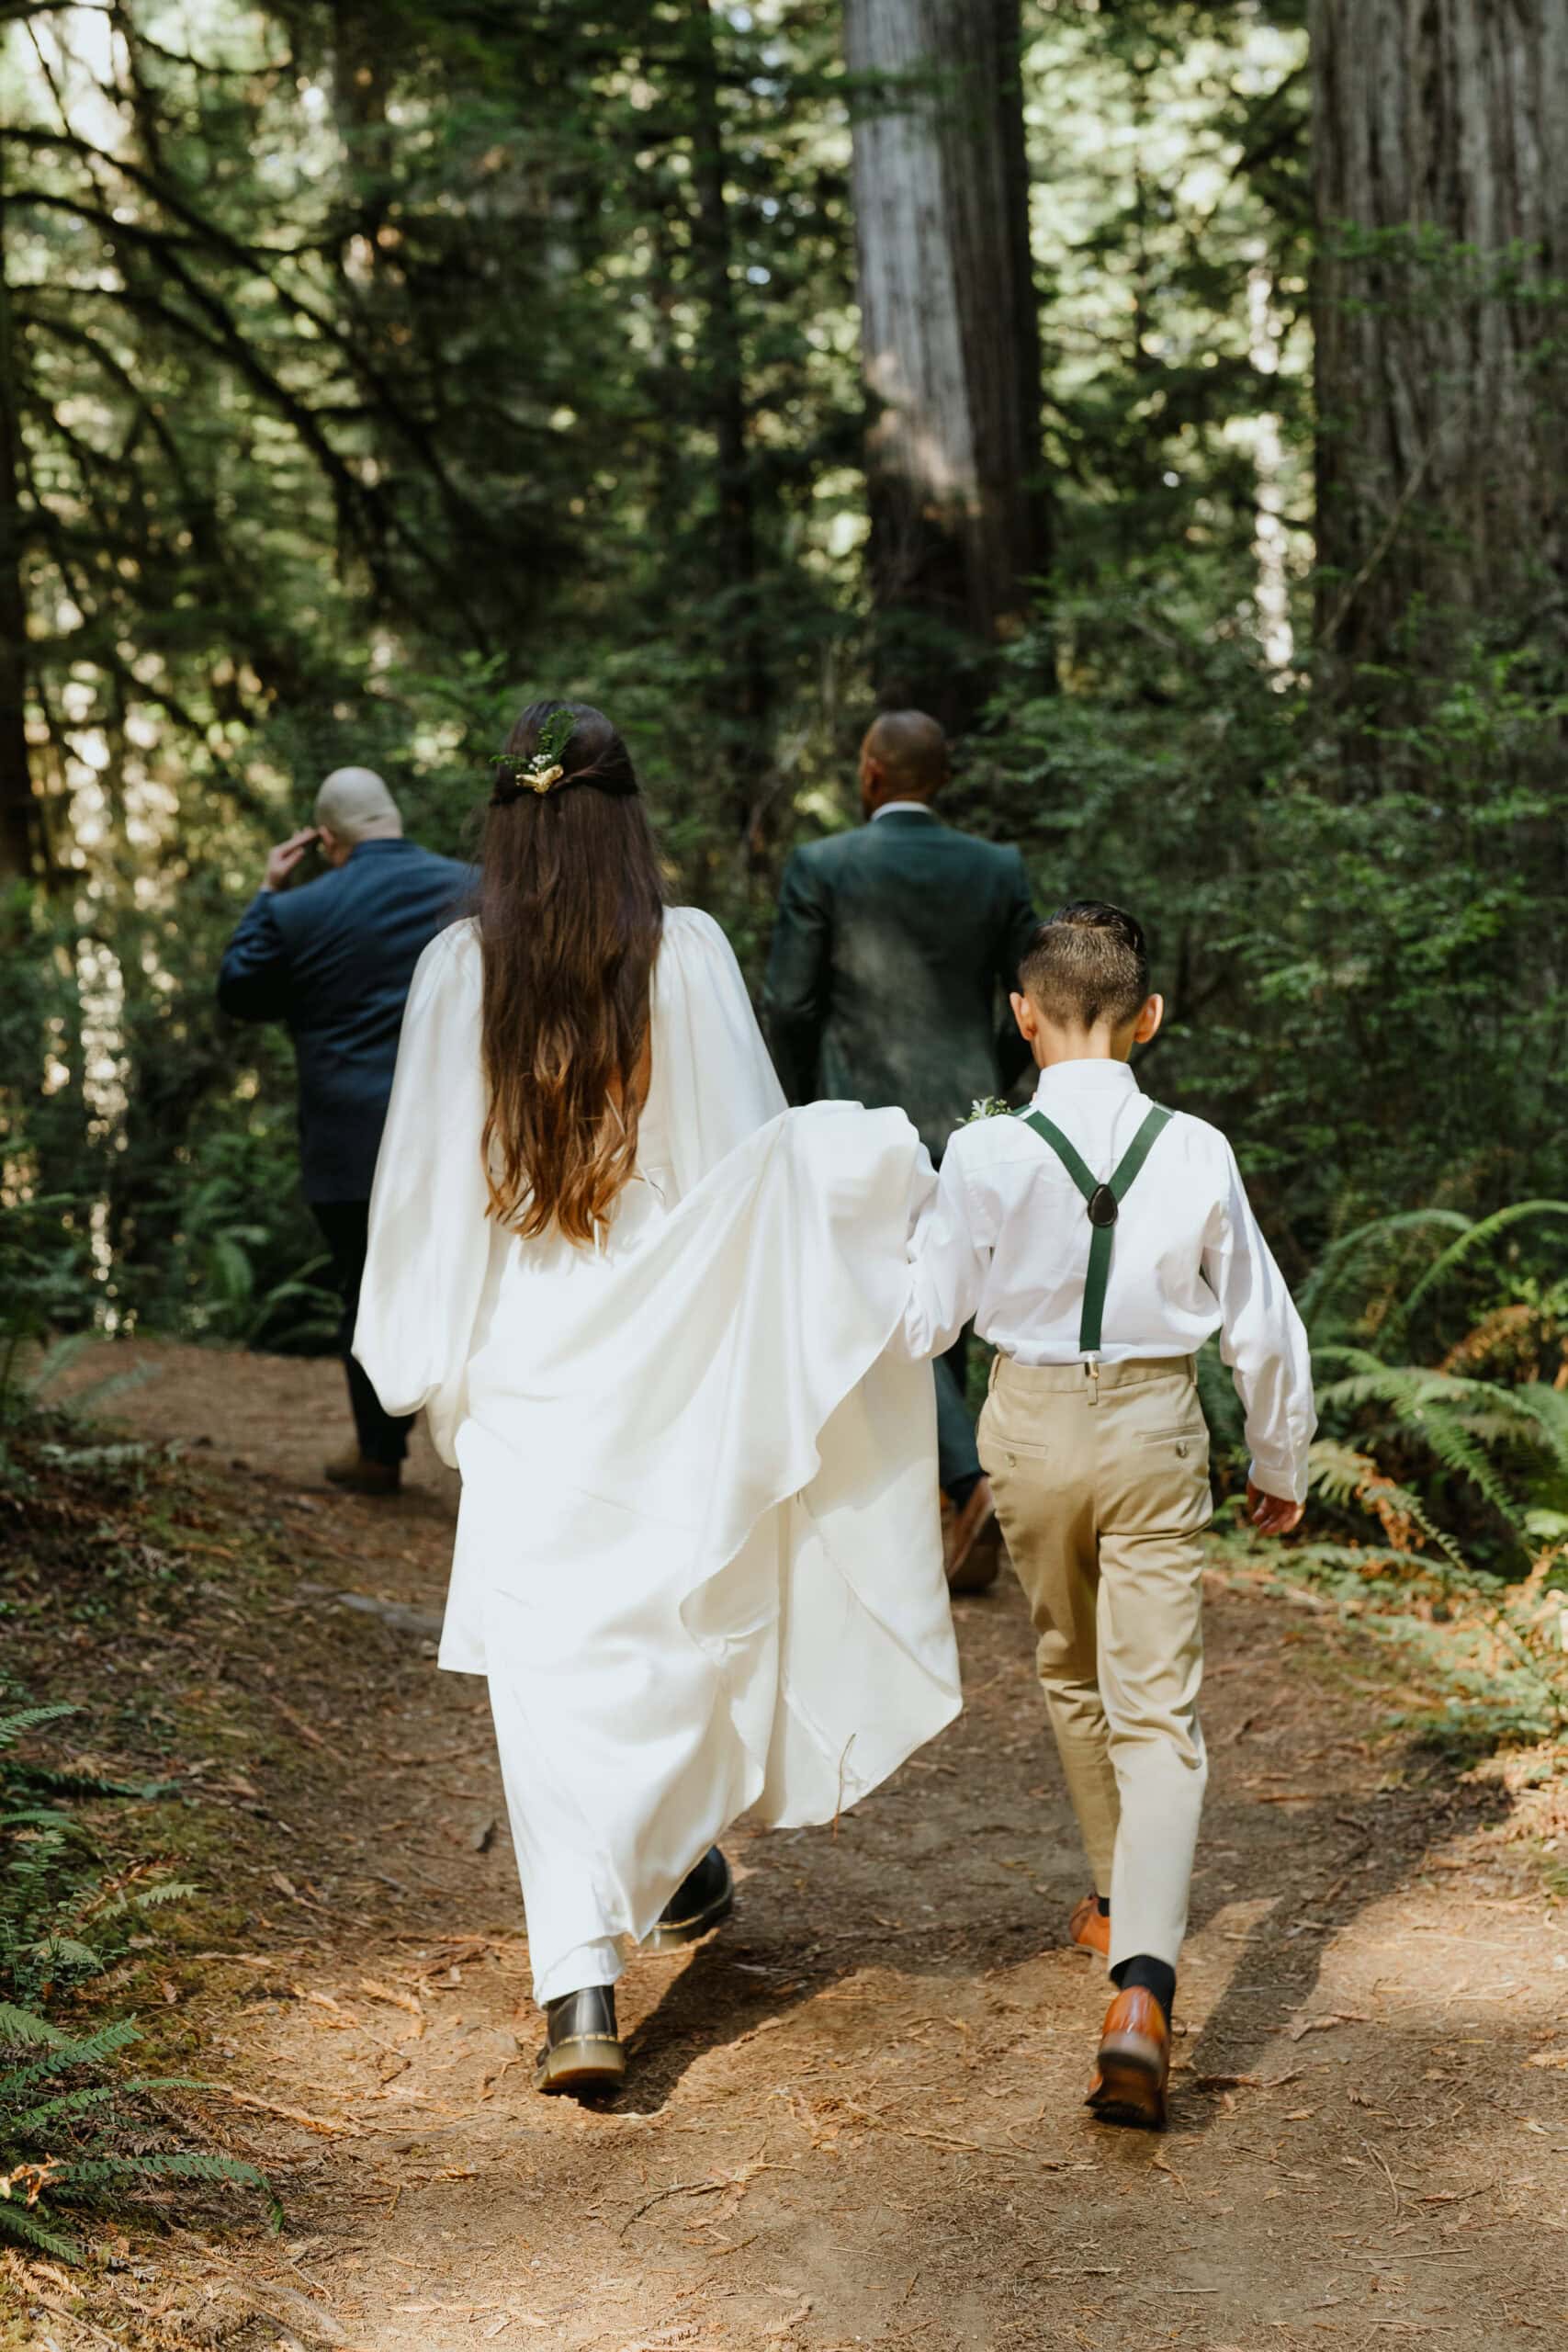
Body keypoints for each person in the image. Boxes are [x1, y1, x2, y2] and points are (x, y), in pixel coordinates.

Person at [353, 701, 960, 2097]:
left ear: (501, 823)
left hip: (523, 1357)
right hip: (668, 1340)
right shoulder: (685, 954)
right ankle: (670, 1858)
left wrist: (416, 1364)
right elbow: (746, 1161)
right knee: (679, 1620)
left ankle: (580, 1985)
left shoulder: (458, 967)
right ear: (628, 815)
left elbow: (429, 1179)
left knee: (555, 1666)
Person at [901, 901, 1315, 2129]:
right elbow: (1262, 1324)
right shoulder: (1192, 1149)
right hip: (1149, 1431)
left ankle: (1110, 1891)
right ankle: (1140, 1987)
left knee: (1069, 1676)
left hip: (1022, 1432)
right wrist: (1275, 1459)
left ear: (1021, 1020)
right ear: (1147, 1019)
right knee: (1159, 1712)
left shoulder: (980, 1154)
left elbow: (923, 1323)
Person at [762, 709, 1039, 1594]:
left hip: (855, 1114)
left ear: (872, 774)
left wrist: (798, 1104)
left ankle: (964, 1481)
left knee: (883, 1296)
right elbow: (1029, 998)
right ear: (941, 777)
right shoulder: (996, 869)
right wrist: (993, 1084)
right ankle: (945, 1510)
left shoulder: (824, 866)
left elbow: (793, 1005)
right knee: (943, 1299)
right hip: (971, 1111)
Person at [217, 766, 470, 1493]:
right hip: (459, 1132)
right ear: (392, 816)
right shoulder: (473, 888)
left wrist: (269, 890)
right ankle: (484, 1452)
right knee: (475, 1283)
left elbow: (240, 989)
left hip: (348, 1143)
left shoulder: (301, 910)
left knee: (364, 1292)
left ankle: (378, 1456)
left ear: (325, 837)